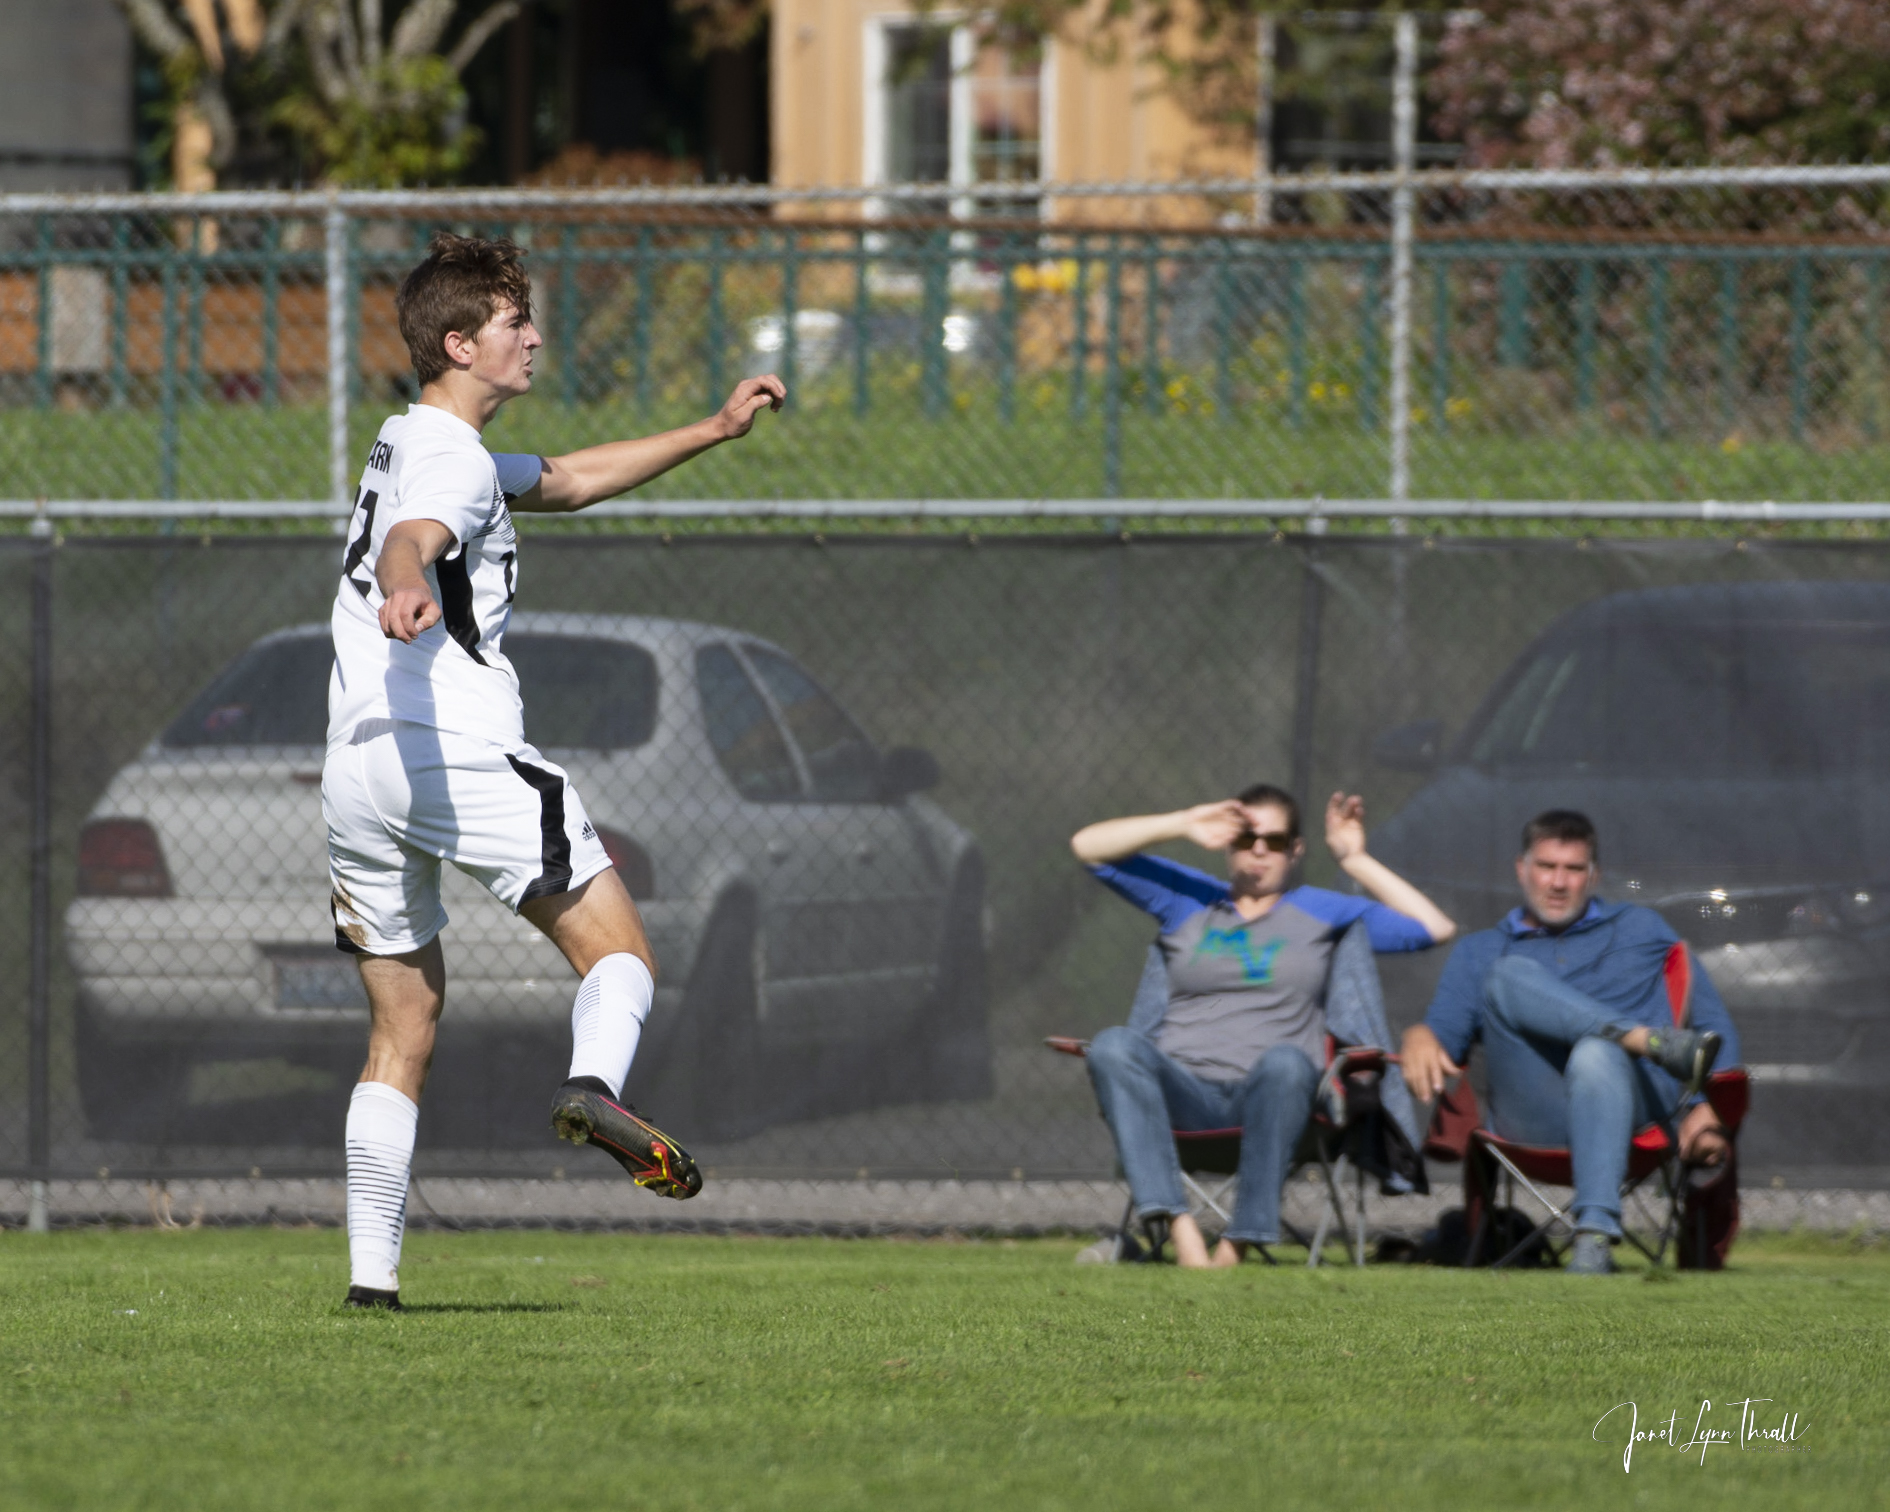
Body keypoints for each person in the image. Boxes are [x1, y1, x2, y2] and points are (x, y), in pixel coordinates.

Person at [324, 233, 785, 1310]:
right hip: (455, 753)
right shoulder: (447, 464)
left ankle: (370, 1285)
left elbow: (567, 480)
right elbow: (413, 536)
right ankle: (593, 1088)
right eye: (512, 321)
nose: (533, 336)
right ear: (460, 344)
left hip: (358, 769)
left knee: (402, 1026)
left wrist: (714, 429)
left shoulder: (412, 439)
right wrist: (406, 579)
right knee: (621, 955)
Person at [1071, 786, 1456, 1269]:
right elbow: (1087, 847)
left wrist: (1354, 859)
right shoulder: (1188, 899)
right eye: (1245, 838)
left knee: (1287, 1063)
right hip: (1183, 1098)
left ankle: (1236, 1245)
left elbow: (1436, 927)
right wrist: (1184, 822)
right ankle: (1183, 1234)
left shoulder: (1322, 909)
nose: (1258, 850)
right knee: (1111, 1046)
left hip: (1279, 1101)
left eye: (1273, 841)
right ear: (1227, 845)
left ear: (1295, 850)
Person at [1400, 809, 1741, 1275]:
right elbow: (1443, 1038)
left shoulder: (1641, 929)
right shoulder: (1480, 951)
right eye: (1546, 866)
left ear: (1594, 876)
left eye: (1573, 869)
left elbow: (1712, 1023)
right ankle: (1647, 1041)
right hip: (1532, 1114)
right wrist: (1418, 1033)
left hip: (1634, 1112)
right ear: (1522, 869)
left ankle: (1594, 1241)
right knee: (1507, 974)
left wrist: (1708, 1106)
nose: (1558, 882)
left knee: (1596, 1052)